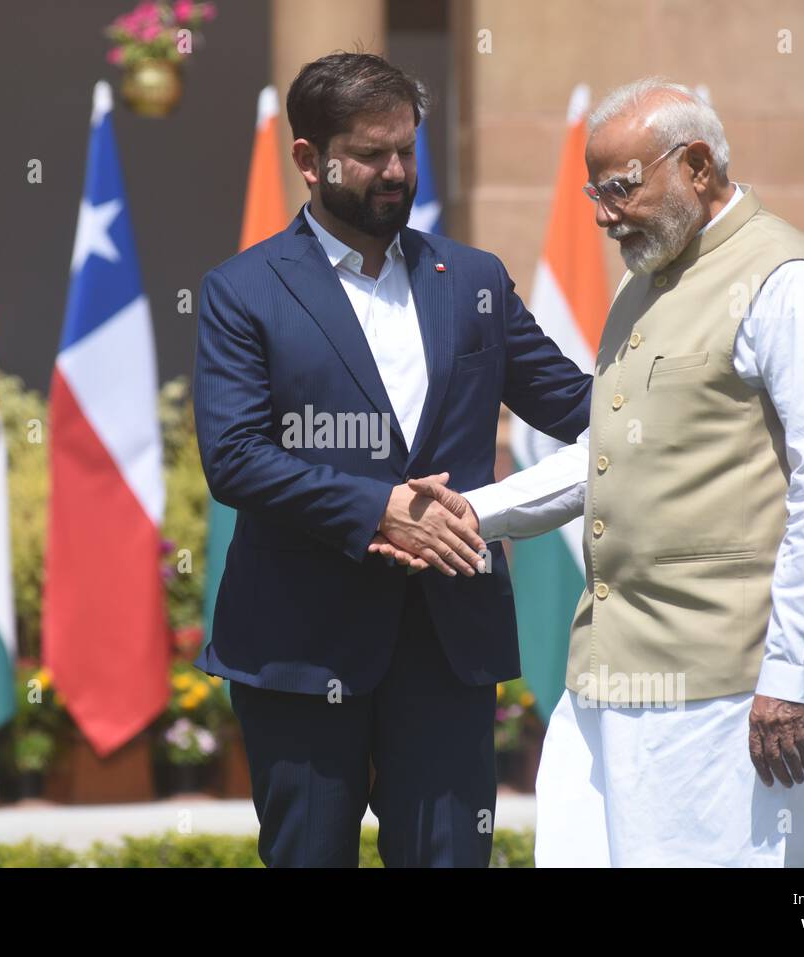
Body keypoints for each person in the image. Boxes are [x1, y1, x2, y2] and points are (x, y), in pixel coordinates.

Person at [382, 77, 804, 867]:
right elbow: (613, 454)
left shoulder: (787, 280)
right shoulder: (645, 280)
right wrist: (469, 514)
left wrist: (789, 676)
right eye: (595, 191)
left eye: (620, 188)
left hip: (745, 682)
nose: (601, 213)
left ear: (696, 164)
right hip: (619, 669)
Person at [192, 52, 591, 867]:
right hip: (299, 648)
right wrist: (375, 508)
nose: (397, 172)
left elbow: (582, 406)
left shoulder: (474, 280)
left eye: (407, 149)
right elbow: (233, 457)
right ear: (309, 159)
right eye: (371, 153)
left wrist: (696, 385)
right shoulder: (243, 290)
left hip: (450, 641)